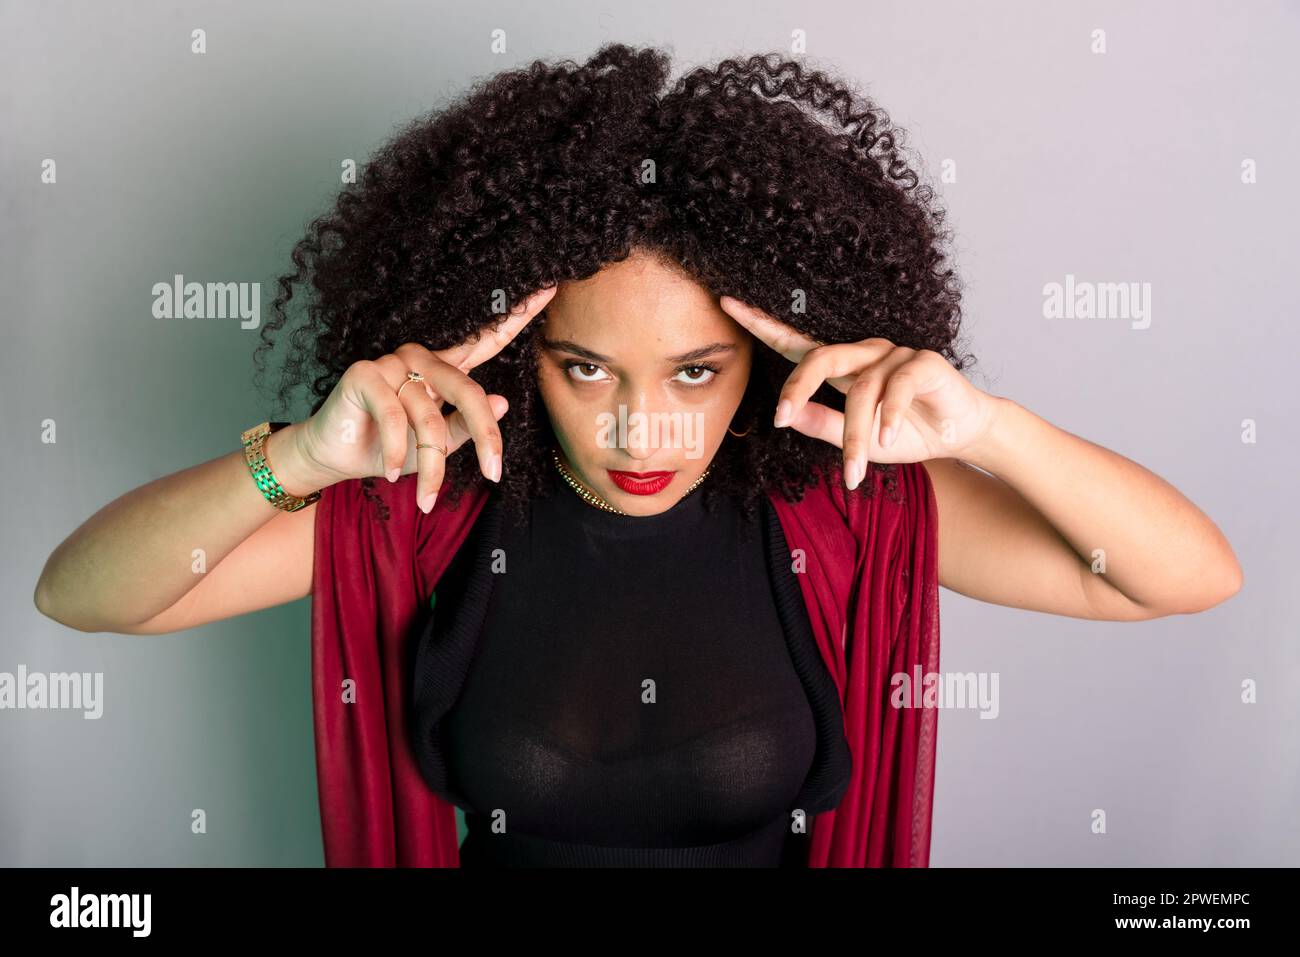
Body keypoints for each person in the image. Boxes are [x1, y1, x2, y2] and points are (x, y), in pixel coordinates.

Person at [33, 44, 1242, 868]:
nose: (638, 428)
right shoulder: (433, 510)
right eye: (586, 367)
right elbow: (85, 599)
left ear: (764, 360)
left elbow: (1180, 577)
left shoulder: (842, 513)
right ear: (516, 359)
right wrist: (295, 460)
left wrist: (987, 429)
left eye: (696, 371)